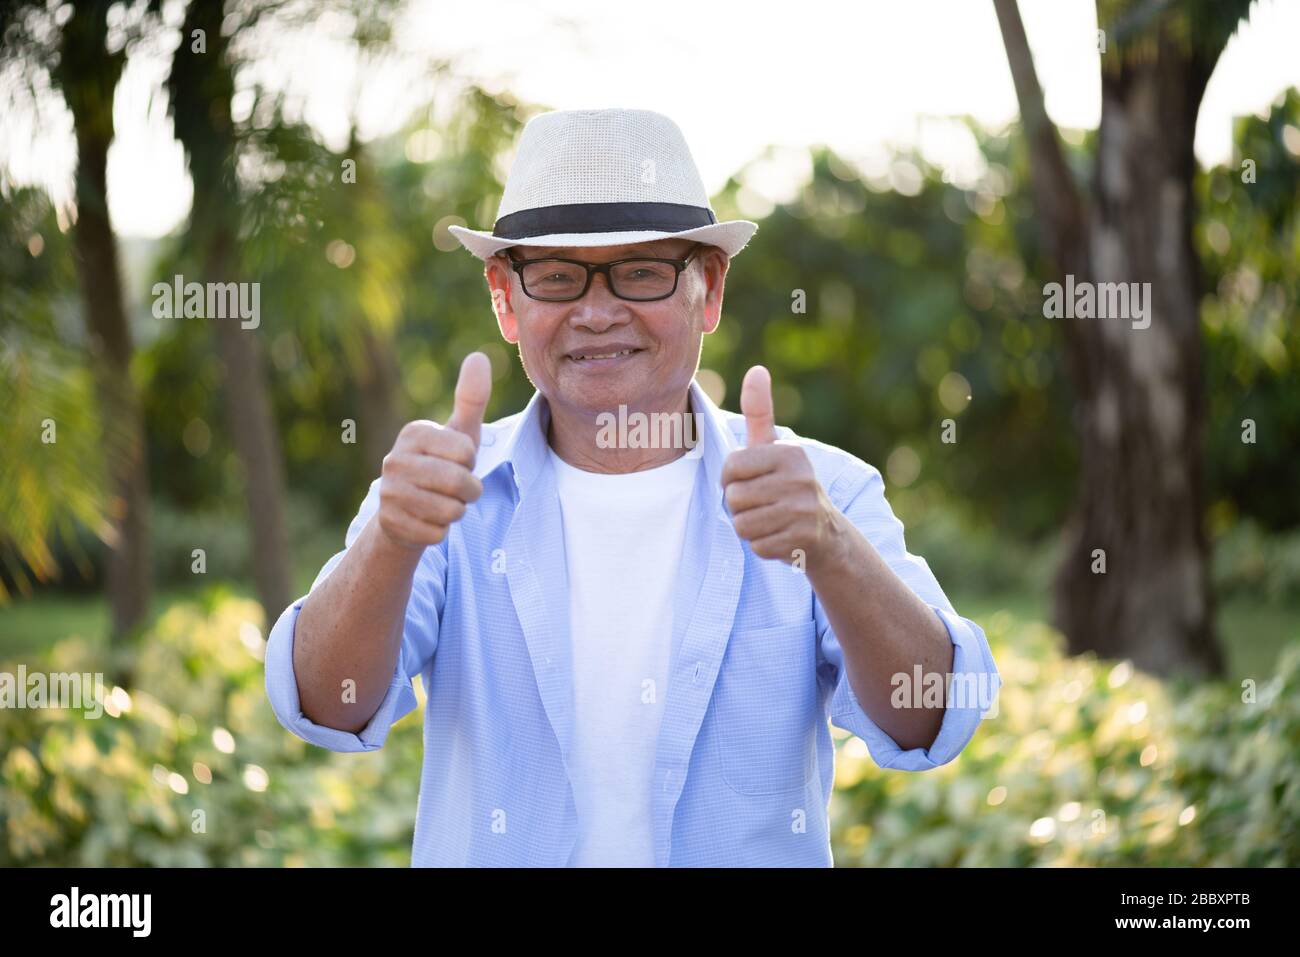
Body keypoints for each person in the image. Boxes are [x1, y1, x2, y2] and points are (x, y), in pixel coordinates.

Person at [265, 107, 1000, 867]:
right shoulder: (440, 492)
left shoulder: (822, 494)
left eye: (641, 270)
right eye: (555, 276)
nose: (597, 311)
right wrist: (389, 541)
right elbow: (327, 704)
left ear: (708, 289)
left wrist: (830, 549)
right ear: (505, 298)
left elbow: (932, 715)